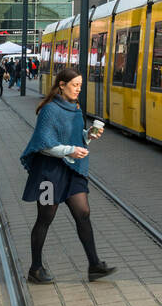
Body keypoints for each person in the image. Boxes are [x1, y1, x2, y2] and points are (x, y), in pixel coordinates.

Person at [19, 66, 115, 284]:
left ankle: (94, 265)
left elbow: (74, 136)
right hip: (48, 173)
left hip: (72, 170)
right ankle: (35, 268)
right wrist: (69, 150)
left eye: (80, 85)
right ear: (62, 85)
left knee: (83, 213)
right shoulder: (49, 110)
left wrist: (88, 135)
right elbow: (43, 144)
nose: (78, 89)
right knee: (45, 218)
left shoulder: (75, 107)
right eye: (75, 85)